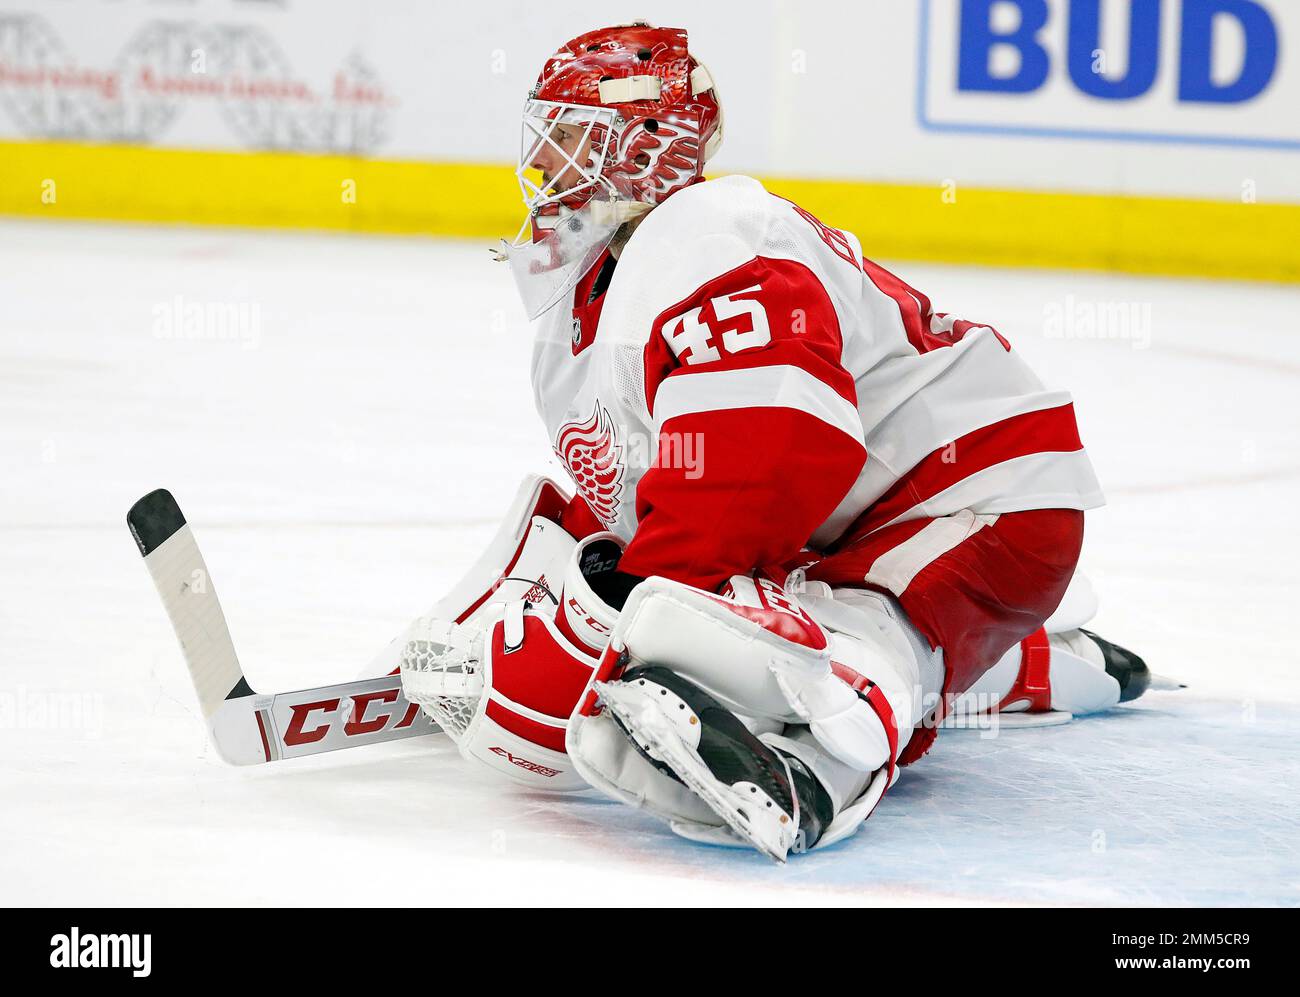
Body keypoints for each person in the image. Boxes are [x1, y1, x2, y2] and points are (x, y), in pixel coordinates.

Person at [398, 22, 1150, 861]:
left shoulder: (716, 236)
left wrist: (633, 618)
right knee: (761, 614)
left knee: (830, 638)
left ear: (649, 147)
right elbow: (649, 492)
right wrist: (558, 600)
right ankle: (1032, 661)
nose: (547, 160)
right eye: (550, 133)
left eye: (574, 135)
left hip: (976, 499)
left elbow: (773, 450)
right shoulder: (593, 288)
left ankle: (818, 763)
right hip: (868, 524)